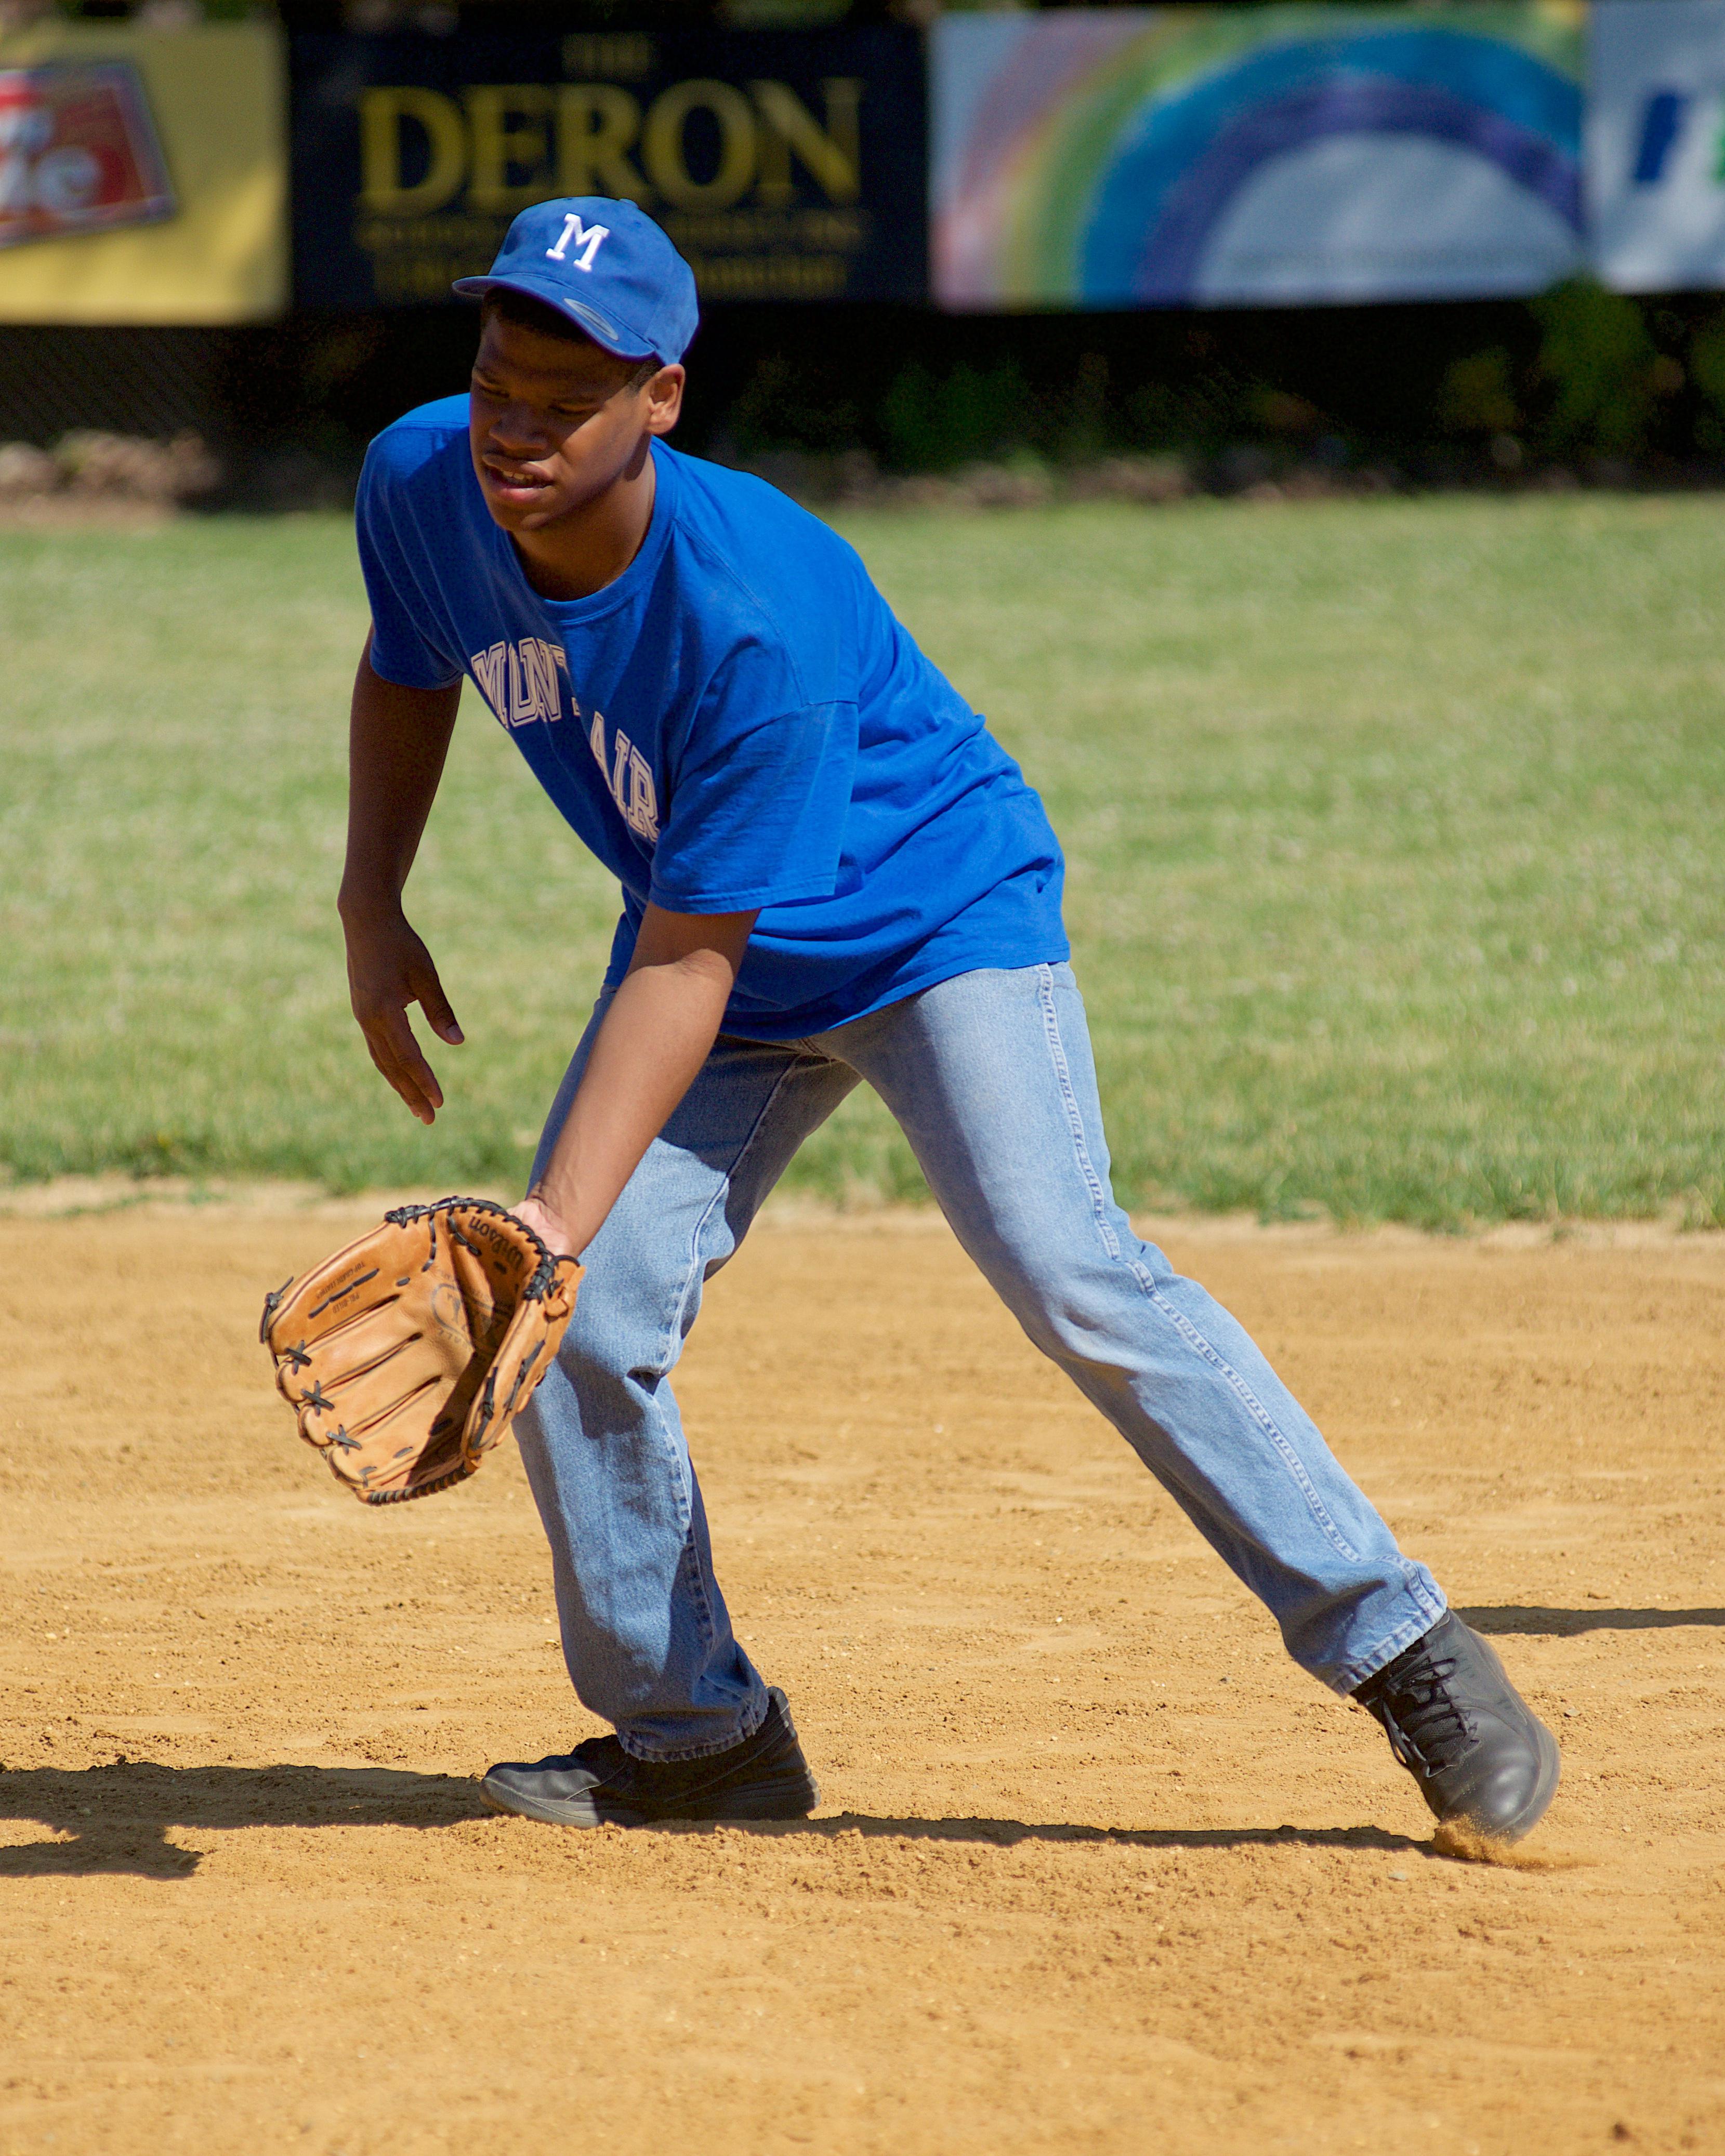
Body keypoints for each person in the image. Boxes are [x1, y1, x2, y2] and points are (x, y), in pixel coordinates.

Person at [339, 196, 1559, 1842]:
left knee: (1072, 1268)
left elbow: (691, 961)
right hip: (720, 955)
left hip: (932, 925)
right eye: (500, 383)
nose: (517, 431)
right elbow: (411, 659)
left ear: (663, 401)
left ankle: (1408, 1647)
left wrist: (550, 1216)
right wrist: (372, 896)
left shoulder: (757, 609)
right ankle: (702, 1737)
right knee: (585, 1317)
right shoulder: (420, 480)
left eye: (568, 402)